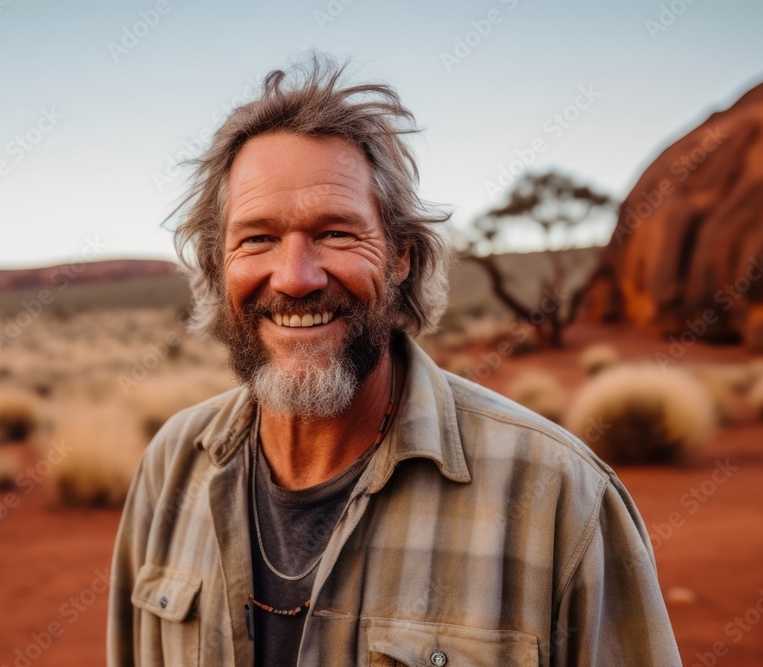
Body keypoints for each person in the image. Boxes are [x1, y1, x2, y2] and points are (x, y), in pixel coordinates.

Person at [108, 54, 681, 666]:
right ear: (219, 266)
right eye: (257, 238)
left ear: (402, 256)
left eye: (335, 233)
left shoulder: (557, 496)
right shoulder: (172, 466)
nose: (296, 278)